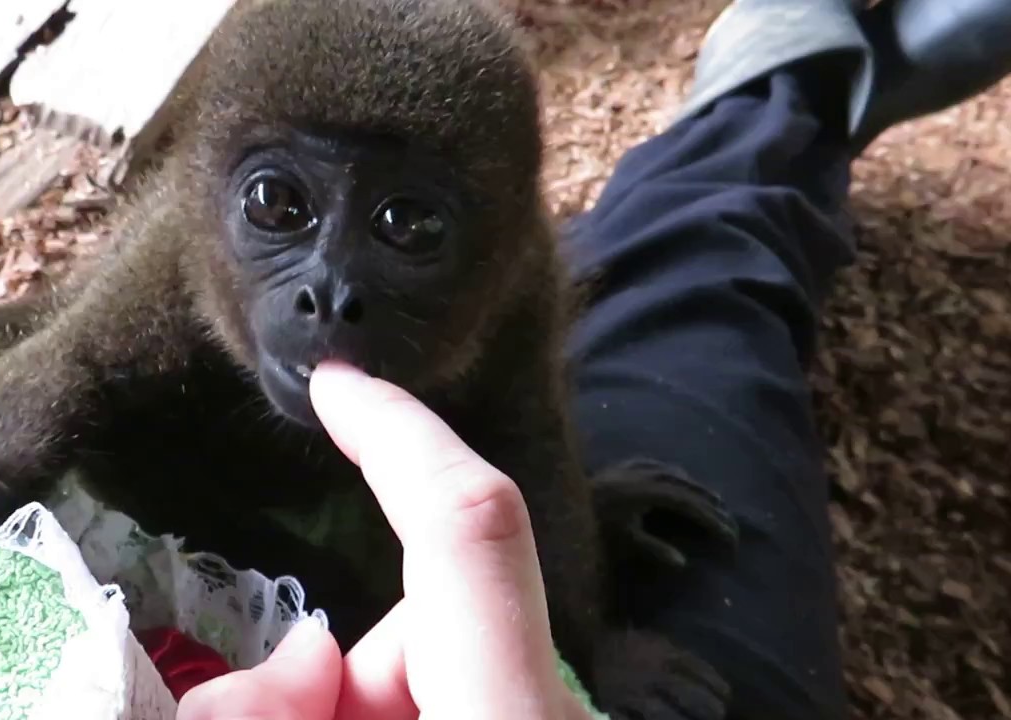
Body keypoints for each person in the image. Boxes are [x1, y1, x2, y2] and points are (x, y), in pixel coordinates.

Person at [174, 0, 1011, 718]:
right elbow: (53, 397)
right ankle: (781, 97)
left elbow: (525, 425)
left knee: (634, 301)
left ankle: (778, 98)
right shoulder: (177, 252)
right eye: (278, 205)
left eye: (408, 226)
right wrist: (573, 651)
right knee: (694, 298)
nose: (328, 294)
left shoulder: (511, 270)